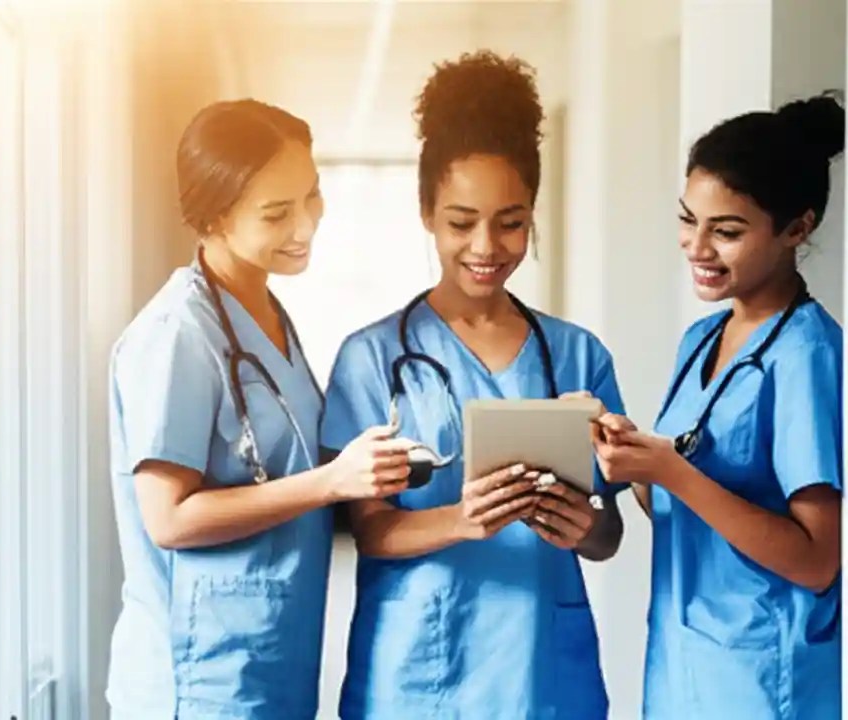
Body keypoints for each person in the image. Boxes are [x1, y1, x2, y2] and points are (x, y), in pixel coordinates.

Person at [320, 51, 626, 719]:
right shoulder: (371, 358)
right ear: (426, 210)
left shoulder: (578, 356)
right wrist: (462, 519)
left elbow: (610, 533)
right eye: (461, 222)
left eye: (511, 222)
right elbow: (369, 530)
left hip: (543, 674)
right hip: (418, 677)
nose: (486, 246)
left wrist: (585, 526)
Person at [106, 99, 415, 719]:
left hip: (263, 667)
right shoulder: (178, 335)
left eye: (313, 196)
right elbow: (167, 519)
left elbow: (283, 464)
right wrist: (331, 482)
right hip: (196, 681)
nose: (305, 226)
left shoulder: (264, 314)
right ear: (215, 217)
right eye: (277, 213)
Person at [593, 94, 845, 718]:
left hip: (762, 678)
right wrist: (628, 451)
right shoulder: (701, 338)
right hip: (683, 667)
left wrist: (669, 469)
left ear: (798, 228)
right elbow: (679, 504)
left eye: (726, 231)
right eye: (688, 220)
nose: (697, 247)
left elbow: (817, 560)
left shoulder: (806, 355)